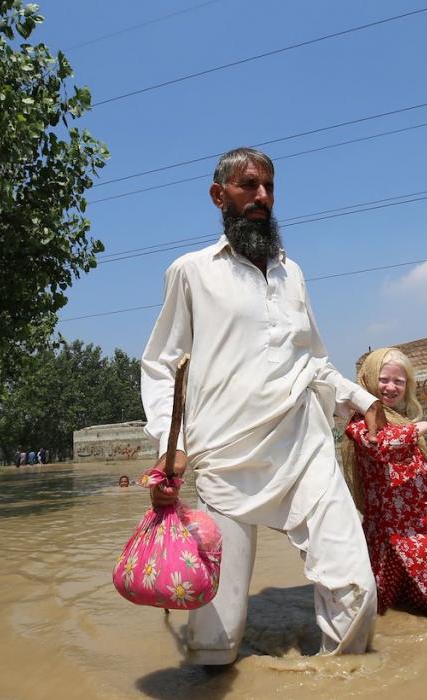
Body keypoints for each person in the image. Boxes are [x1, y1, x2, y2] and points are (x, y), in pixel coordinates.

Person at [141, 147, 387, 666]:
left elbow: (313, 360)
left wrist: (363, 401)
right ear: (218, 196)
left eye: (269, 188)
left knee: (358, 592)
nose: (261, 197)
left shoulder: (291, 274)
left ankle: (342, 680)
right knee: (215, 645)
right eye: (249, 186)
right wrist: (172, 445)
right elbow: (162, 366)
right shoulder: (190, 272)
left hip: (303, 447)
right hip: (222, 459)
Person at [341, 348, 427, 622]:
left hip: (425, 521)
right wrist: (425, 427)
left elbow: (412, 459)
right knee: (378, 598)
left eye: (398, 382)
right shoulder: (359, 422)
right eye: (384, 379)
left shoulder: (400, 419)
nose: (391, 387)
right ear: (368, 381)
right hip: (390, 530)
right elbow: (382, 445)